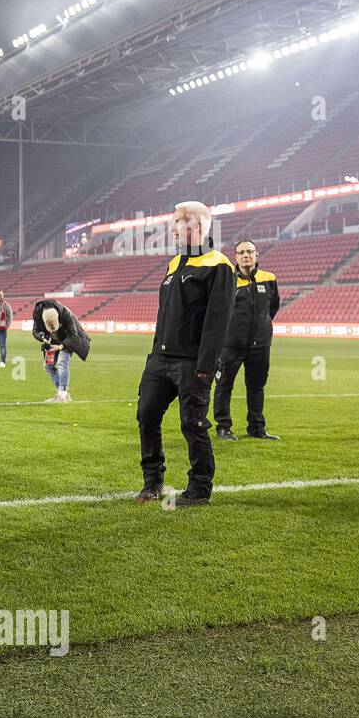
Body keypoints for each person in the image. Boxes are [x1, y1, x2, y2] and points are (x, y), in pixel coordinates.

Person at [135, 200, 235, 506]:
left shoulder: (219, 265)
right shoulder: (174, 263)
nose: (172, 227)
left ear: (196, 225)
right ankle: (153, 483)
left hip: (192, 364)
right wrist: (154, 356)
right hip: (160, 360)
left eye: (177, 221)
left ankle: (200, 488)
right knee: (146, 414)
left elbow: (217, 322)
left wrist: (205, 366)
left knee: (192, 424)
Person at [214, 239, 280, 441]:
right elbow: (218, 311)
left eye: (249, 251)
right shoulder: (227, 281)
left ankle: (256, 427)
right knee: (224, 386)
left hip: (260, 345)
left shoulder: (269, 278)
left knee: (256, 387)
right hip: (231, 345)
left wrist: (262, 327)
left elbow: (273, 307)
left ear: (256, 254)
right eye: (241, 252)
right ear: (235, 257)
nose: (246, 255)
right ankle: (223, 427)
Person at [31, 298, 90, 402]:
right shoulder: (38, 315)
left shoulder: (66, 314)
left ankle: (62, 395)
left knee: (62, 363)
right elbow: (35, 331)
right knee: (48, 366)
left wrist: (61, 346)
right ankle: (63, 393)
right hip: (52, 341)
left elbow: (74, 336)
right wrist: (43, 338)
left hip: (68, 340)